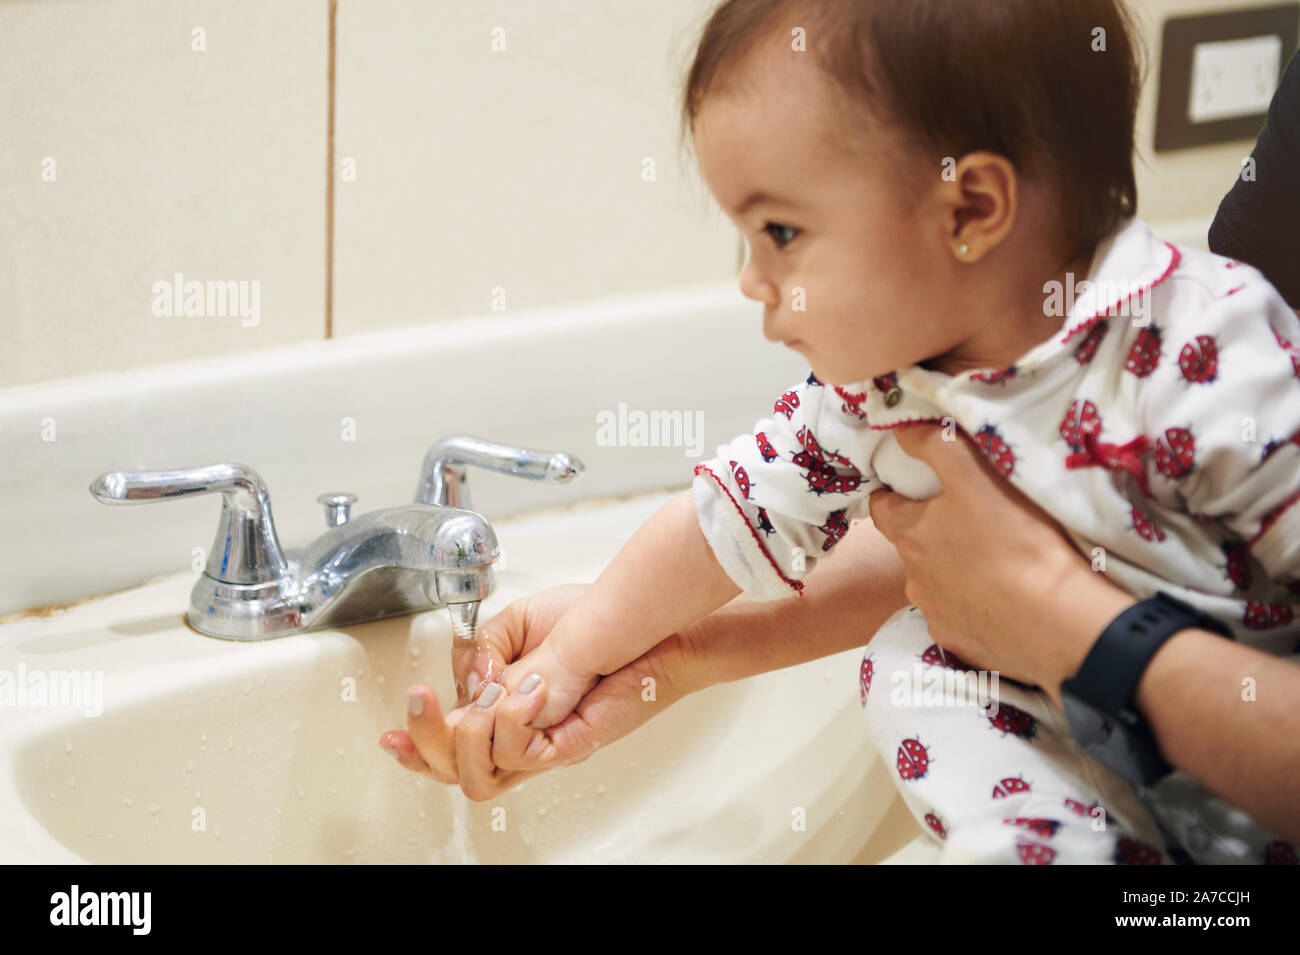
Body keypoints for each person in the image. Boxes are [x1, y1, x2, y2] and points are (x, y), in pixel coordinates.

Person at [382, 0, 1300, 861]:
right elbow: (726, 514)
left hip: (1252, 794)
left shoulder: (1204, 353)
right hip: (1113, 792)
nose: (751, 279)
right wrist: (571, 659)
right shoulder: (885, 382)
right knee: (916, 656)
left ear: (971, 210)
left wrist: (1077, 628)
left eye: (780, 232)